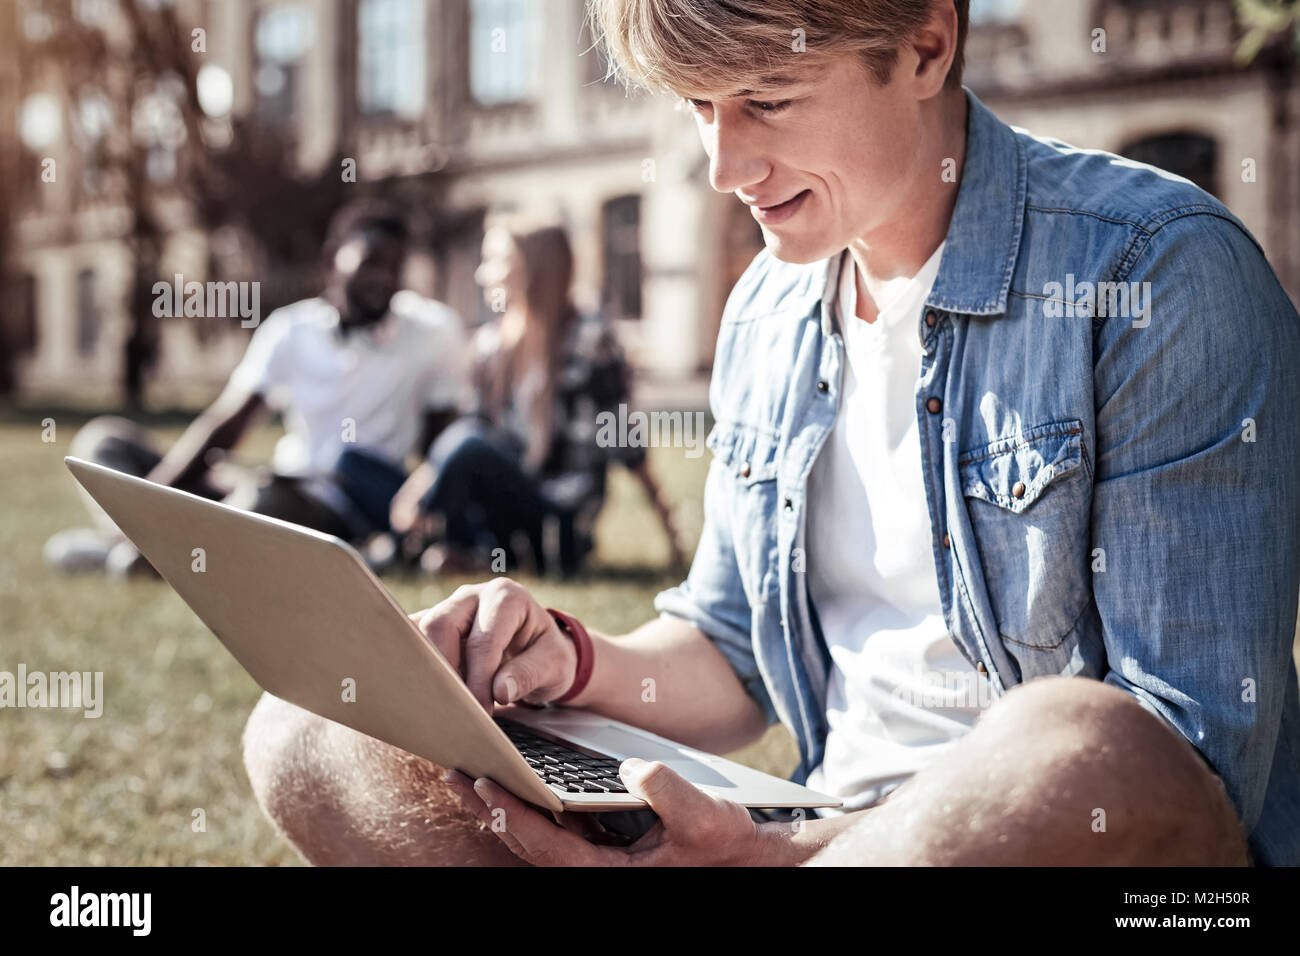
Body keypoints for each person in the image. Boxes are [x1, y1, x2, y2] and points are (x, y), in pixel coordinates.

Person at [242, 0, 1300, 866]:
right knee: (309, 726)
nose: (723, 163)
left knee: (1075, 742)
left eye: (768, 99)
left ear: (926, 44)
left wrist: (791, 854)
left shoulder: (1155, 275)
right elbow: (732, 651)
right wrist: (563, 660)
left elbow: (1185, 759)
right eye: (699, 105)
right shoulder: (768, 310)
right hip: (800, 827)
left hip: (994, 840)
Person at [49, 199, 467, 573]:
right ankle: (134, 543)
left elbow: (441, 445)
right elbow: (227, 424)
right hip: (283, 478)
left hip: (342, 506)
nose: (384, 279)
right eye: (371, 262)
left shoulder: (431, 331)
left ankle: (134, 555)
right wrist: (149, 500)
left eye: (395, 267)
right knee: (104, 444)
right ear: (331, 260)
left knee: (256, 506)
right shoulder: (291, 329)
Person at [388, 217, 683, 575]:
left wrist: (669, 529)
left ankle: (415, 547)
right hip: (507, 505)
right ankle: (458, 549)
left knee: (469, 444)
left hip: (558, 520)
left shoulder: (588, 341)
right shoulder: (491, 347)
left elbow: (624, 440)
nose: (484, 274)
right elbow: (471, 429)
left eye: (496, 260)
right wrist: (414, 489)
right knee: (358, 463)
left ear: (533, 268)